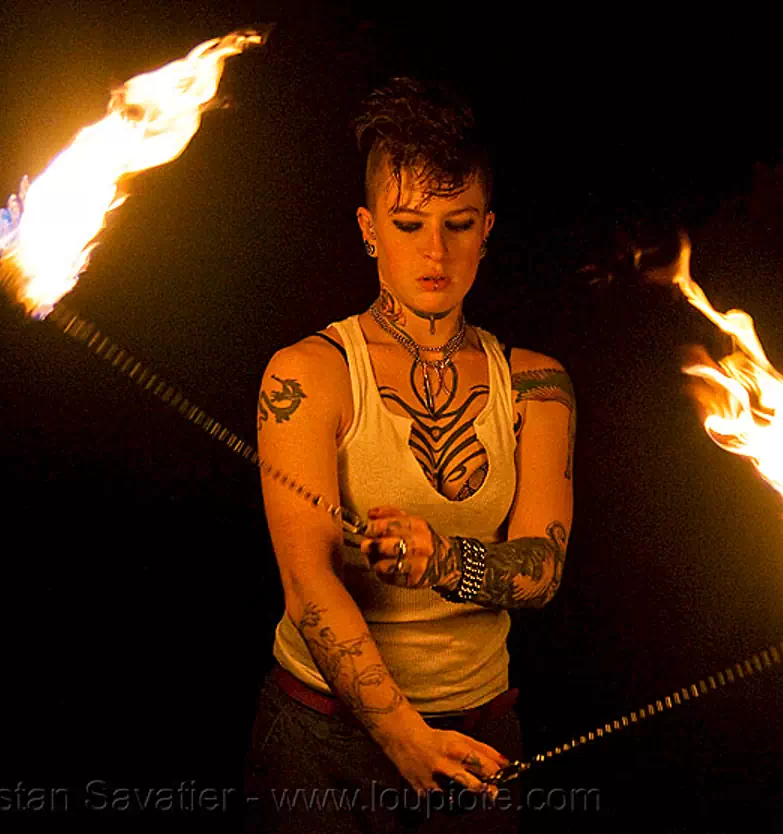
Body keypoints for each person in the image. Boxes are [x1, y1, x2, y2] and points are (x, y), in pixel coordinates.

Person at [247, 77, 575, 833]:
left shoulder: (536, 383)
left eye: (459, 223)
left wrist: (445, 561)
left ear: (488, 227)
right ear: (367, 228)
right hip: (323, 740)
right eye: (408, 223)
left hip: (478, 732)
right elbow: (308, 586)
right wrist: (402, 736)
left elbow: (543, 571)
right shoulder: (307, 373)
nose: (436, 251)